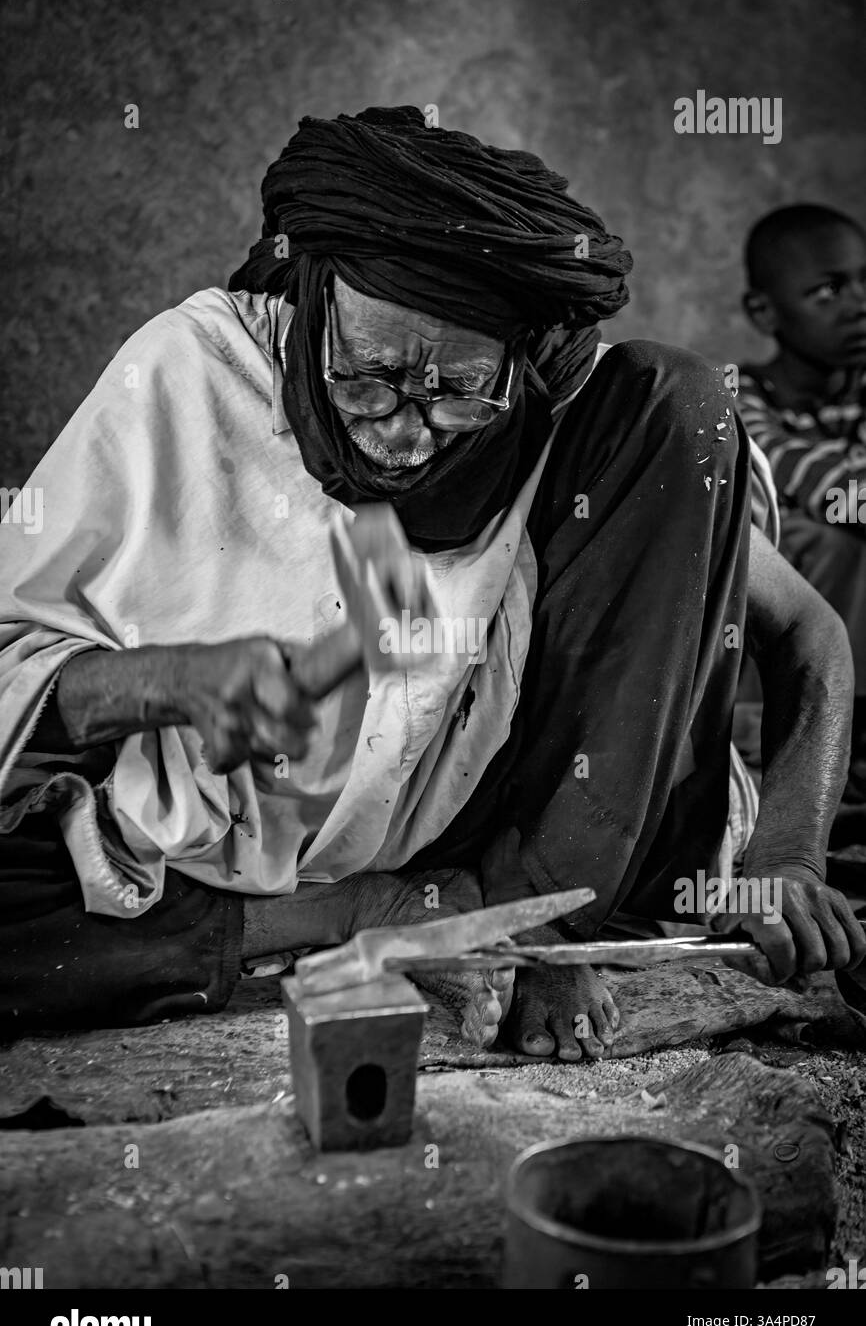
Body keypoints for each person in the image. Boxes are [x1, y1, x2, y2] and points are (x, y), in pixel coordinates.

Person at [1, 109, 863, 1060]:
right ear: (312, 301)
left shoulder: (574, 424)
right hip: (224, 852)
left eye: (460, 393)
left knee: (680, 399)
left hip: (506, 829)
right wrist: (168, 682)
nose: (407, 435)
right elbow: (12, 659)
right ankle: (360, 910)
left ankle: (539, 916)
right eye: (367, 377)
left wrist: (786, 855)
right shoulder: (192, 373)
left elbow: (809, 636)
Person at [737, 204, 866, 810]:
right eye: (828, 290)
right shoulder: (740, 393)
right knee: (821, 540)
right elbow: (827, 491)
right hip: (774, 652)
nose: (858, 302)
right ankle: (795, 732)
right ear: (764, 311)